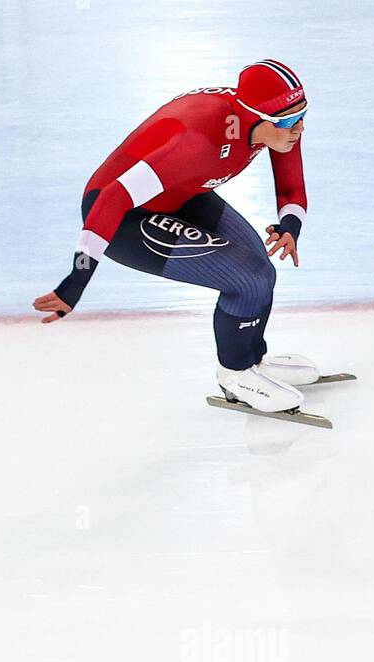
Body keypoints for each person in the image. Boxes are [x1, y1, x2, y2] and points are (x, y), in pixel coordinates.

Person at [33, 59, 320, 415]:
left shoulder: (272, 123)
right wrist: (76, 281)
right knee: (250, 279)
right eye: (291, 121)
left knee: (260, 266)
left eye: (303, 115)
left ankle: (252, 359)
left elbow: (291, 184)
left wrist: (290, 226)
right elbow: (113, 198)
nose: (300, 128)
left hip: (181, 192)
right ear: (255, 117)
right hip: (124, 215)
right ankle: (234, 375)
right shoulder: (198, 140)